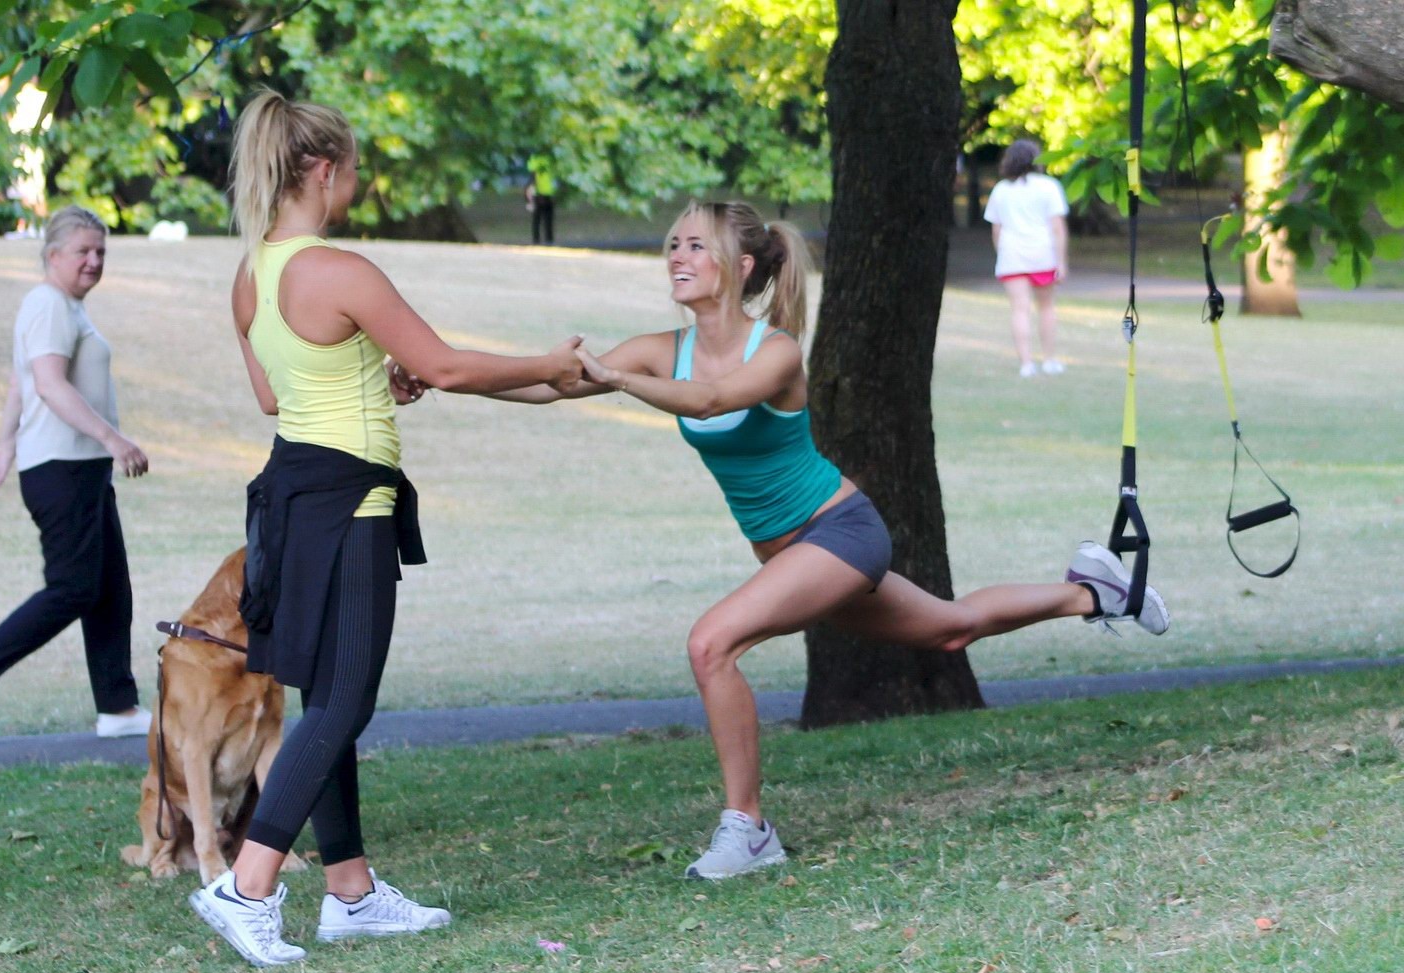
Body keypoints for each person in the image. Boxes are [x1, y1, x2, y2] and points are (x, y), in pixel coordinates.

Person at [474, 199, 1167, 881]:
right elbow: (551, 386)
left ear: (740, 266)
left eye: (694, 245)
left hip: (841, 533)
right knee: (950, 630)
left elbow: (715, 401)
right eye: (674, 244)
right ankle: (1094, 592)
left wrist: (619, 378)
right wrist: (445, 377)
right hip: (794, 556)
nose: (676, 256)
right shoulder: (663, 351)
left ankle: (747, 828)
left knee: (712, 644)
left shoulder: (773, 351)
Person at [188, 90, 584, 968]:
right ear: (323, 169)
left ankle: (352, 893)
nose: (359, 183)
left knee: (329, 698)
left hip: (294, 496)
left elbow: (274, 395)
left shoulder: (253, 271)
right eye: (355, 168)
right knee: (346, 700)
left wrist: (376, 375)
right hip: (350, 503)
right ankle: (245, 887)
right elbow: (445, 363)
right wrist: (549, 363)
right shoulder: (339, 269)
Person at [0, 206, 153, 747]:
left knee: (109, 590)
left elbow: (20, 382)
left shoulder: (65, 309)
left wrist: (4, 443)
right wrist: (112, 438)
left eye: (101, 251)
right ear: (52, 254)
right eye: (82, 251)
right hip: (64, 468)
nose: (94, 260)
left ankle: (118, 708)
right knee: (75, 587)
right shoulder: (50, 304)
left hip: (78, 468)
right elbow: (49, 386)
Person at [984, 140, 1070, 377]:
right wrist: (1061, 262)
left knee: (1019, 310)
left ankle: (1026, 364)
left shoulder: (1001, 190)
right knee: (1046, 308)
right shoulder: (1049, 187)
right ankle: (1050, 360)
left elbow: (996, 229)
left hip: (1012, 255)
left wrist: (1001, 253)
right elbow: (1058, 228)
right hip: (1043, 255)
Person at [525, 154, 557, 245]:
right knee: (544, 219)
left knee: (538, 219)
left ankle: (538, 240)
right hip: (544, 193)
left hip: (543, 193)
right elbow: (533, 176)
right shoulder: (550, 158)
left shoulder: (535, 158)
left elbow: (532, 176)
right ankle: (546, 240)